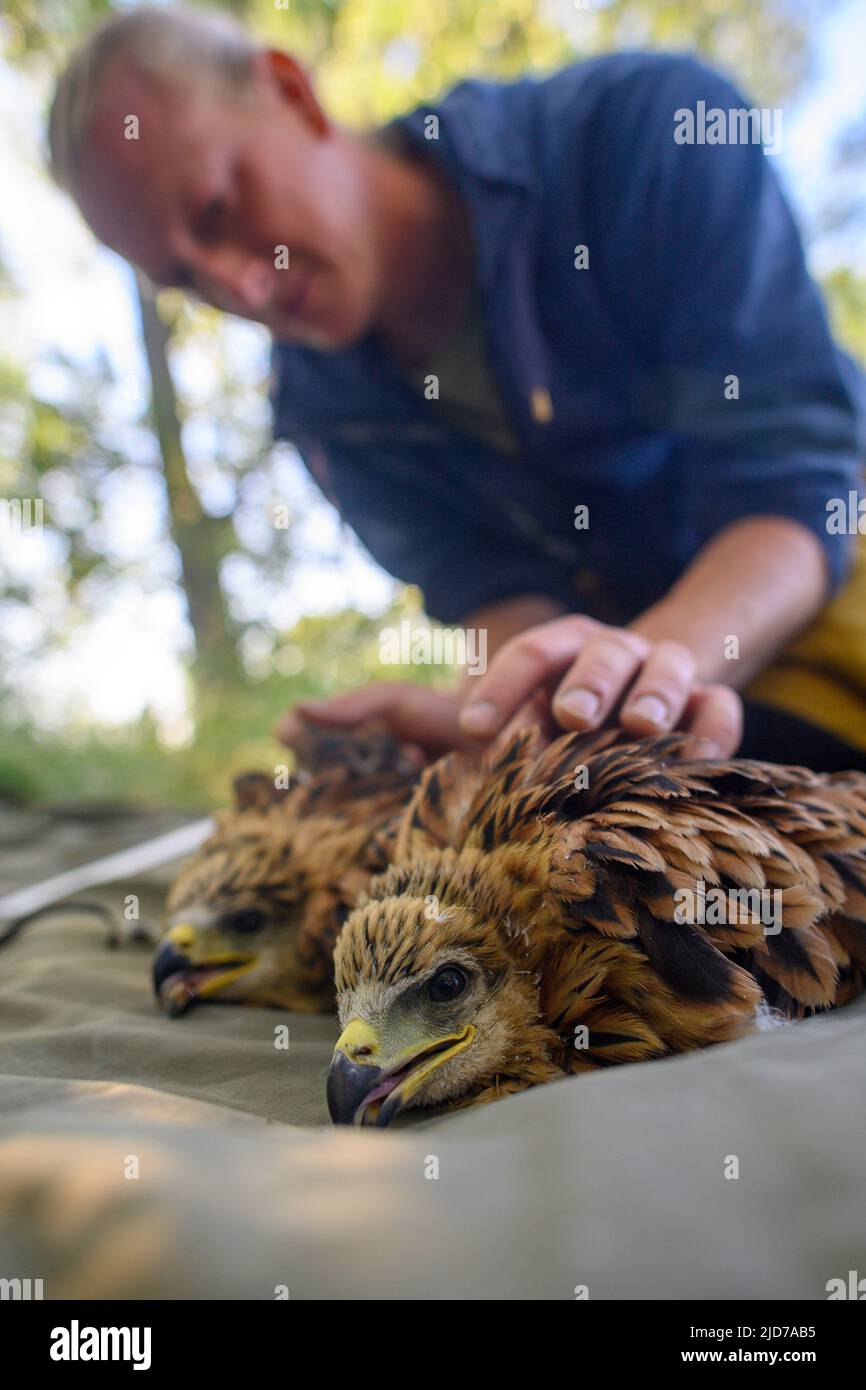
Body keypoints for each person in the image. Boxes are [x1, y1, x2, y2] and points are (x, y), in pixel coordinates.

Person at [48, 6, 866, 770]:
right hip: (675, 729)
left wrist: (646, 671)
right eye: (185, 280)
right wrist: (496, 713)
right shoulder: (322, 415)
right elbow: (501, 601)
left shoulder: (641, 134)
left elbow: (793, 492)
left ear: (292, 93)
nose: (240, 288)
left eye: (220, 209)